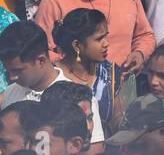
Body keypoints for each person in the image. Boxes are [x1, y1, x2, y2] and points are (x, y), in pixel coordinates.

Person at [53, 8, 126, 140]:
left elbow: (116, 117)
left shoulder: (110, 72)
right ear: (77, 45)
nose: (106, 44)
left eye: (106, 36)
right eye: (99, 39)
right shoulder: (53, 76)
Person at [0, 21, 68, 107]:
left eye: (18, 71)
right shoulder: (11, 92)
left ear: (41, 61)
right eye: (8, 71)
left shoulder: (70, 98)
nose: (12, 77)